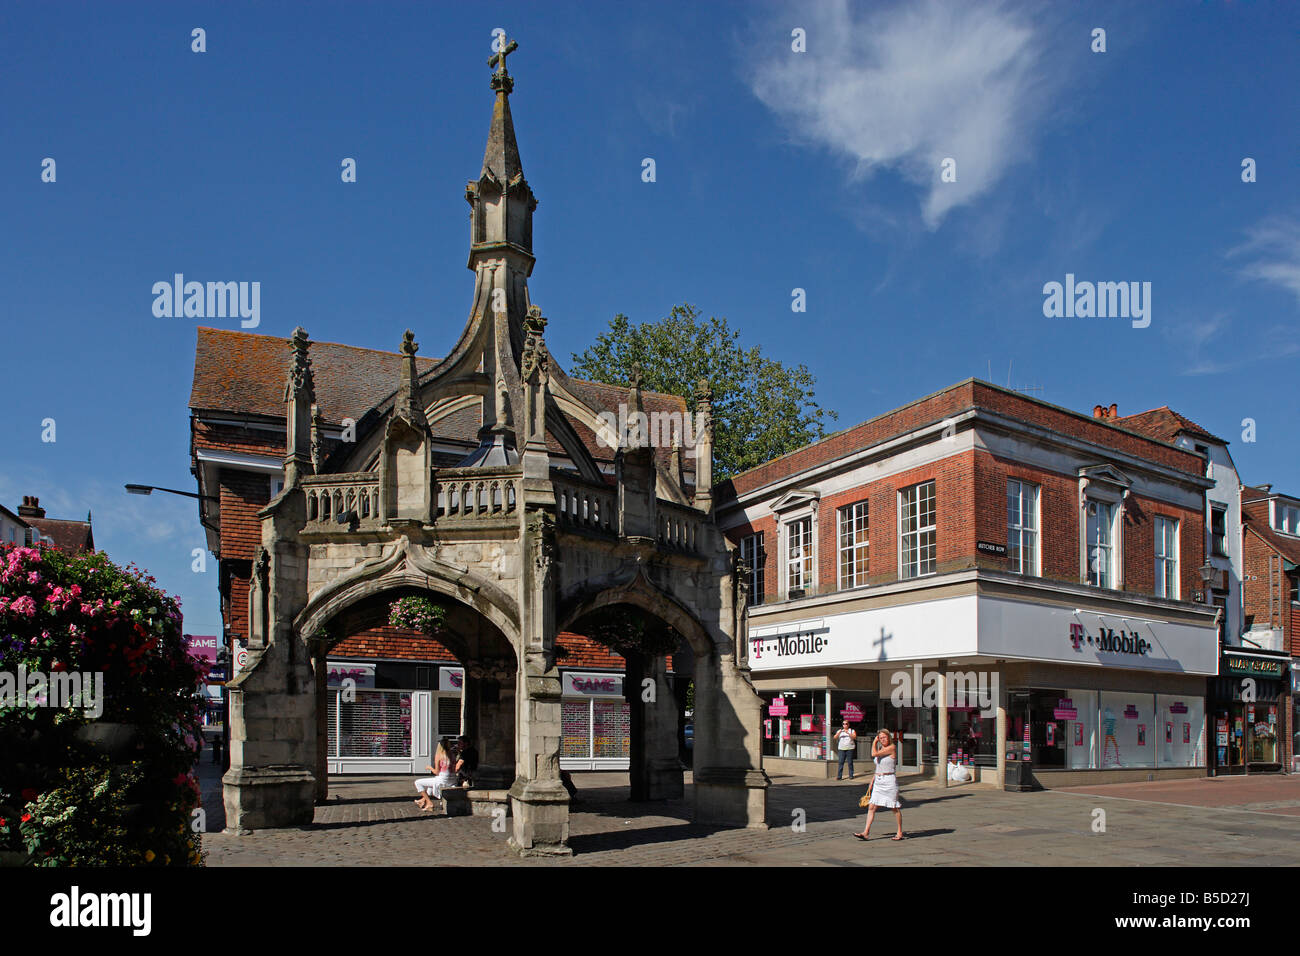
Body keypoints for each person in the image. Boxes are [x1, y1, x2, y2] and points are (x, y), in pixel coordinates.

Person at [853, 729, 904, 841]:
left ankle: (899, 831)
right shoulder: (881, 748)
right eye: (880, 738)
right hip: (879, 780)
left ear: (888, 737)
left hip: (889, 780)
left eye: (884, 737)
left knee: (893, 807)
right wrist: (872, 780)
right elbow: (878, 766)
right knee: (871, 806)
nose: (882, 739)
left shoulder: (892, 747)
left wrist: (874, 742)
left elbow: (873, 754)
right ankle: (866, 832)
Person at [414, 737, 456, 811]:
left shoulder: (439, 755)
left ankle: (429, 803)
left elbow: (436, 772)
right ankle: (422, 801)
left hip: (443, 779)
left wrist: (429, 768)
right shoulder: (452, 755)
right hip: (452, 780)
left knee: (417, 782)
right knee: (431, 785)